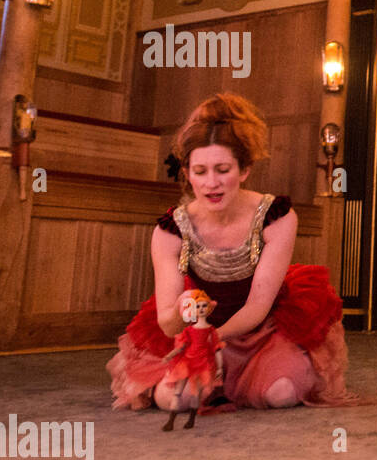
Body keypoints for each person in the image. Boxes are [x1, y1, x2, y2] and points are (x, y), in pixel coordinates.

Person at [108, 93, 358, 413]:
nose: (212, 183)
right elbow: (168, 325)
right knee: (174, 401)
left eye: (222, 169)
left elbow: (257, 305)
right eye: (200, 171)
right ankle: (212, 383)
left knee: (279, 394)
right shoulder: (170, 230)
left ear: (244, 170)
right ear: (187, 173)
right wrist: (183, 315)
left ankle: (243, 377)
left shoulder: (276, 216)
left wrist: (215, 342)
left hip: (261, 332)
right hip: (194, 337)